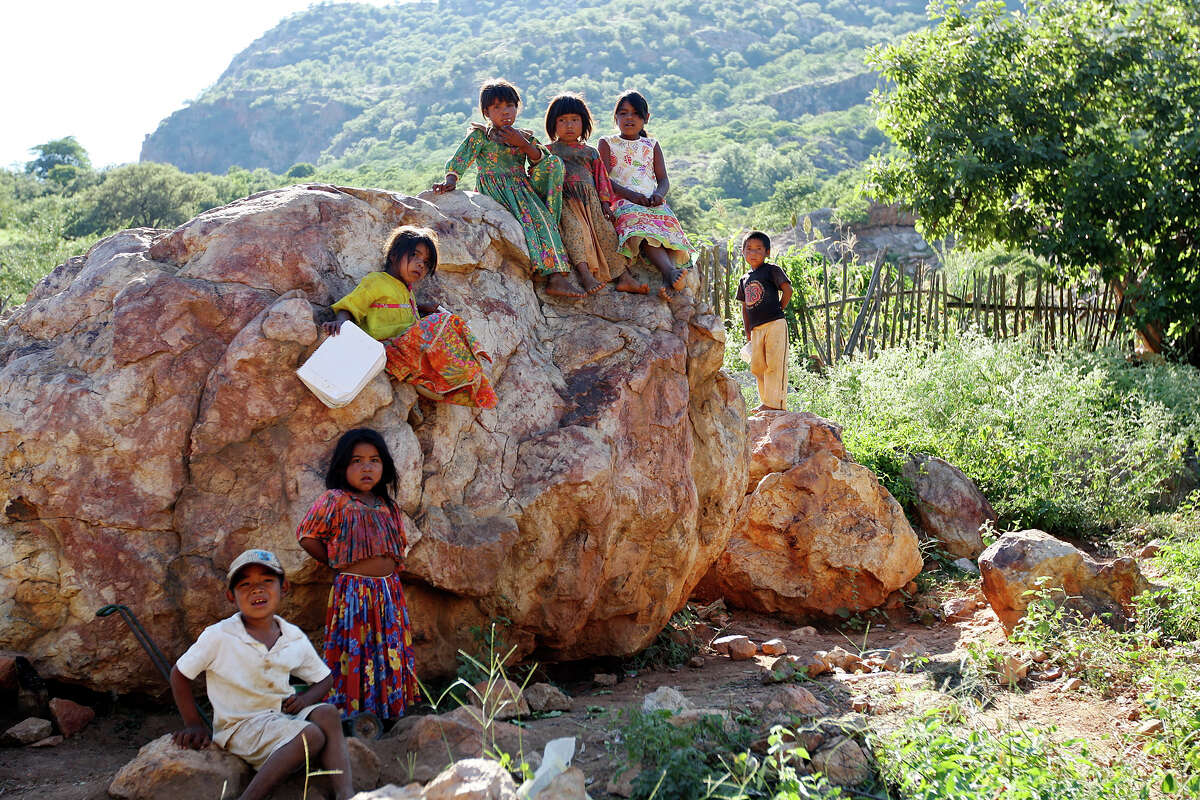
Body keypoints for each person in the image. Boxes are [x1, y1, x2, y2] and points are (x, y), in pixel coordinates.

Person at [170, 549, 353, 800]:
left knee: (328, 713)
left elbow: (325, 678)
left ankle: (346, 794)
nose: (257, 590)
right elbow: (179, 674)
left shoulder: (292, 636)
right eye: (245, 585)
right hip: (240, 727)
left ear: (284, 588)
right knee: (311, 735)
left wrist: (305, 700)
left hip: (280, 718)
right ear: (231, 596)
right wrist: (193, 724)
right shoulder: (219, 635)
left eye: (267, 581)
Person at [297, 428, 420, 725]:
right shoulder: (335, 500)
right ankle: (352, 716)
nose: (367, 467)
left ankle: (387, 712)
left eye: (374, 460)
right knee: (356, 650)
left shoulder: (388, 506)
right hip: (353, 593)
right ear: (342, 466)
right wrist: (336, 563)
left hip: (388, 593)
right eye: (357, 461)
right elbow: (307, 536)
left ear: (384, 467)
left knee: (386, 649)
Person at [431, 79, 583, 298]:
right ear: (486, 112)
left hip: (522, 190)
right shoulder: (481, 135)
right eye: (497, 107)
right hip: (492, 190)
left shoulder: (524, 137)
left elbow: (542, 160)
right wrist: (451, 180)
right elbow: (461, 159)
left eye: (510, 106)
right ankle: (545, 272)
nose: (505, 112)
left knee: (542, 216)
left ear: (517, 108)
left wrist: (522, 143)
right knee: (527, 223)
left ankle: (556, 277)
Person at [324, 224, 497, 409]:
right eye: (415, 255)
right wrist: (340, 323)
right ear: (394, 255)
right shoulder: (377, 281)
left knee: (450, 322)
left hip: (406, 354)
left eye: (426, 262)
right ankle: (440, 380)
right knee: (443, 321)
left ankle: (444, 381)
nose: (421, 264)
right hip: (384, 350)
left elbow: (406, 317)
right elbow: (353, 305)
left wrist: (424, 308)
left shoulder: (408, 293)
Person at [543, 92, 646, 295]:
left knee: (607, 232)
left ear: (584, 123)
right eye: (562, 120)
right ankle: (585, 275)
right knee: (574, 231)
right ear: (552, 124)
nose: (569, 125)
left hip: (591, 202)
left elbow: (602, 179)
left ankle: (623, 276)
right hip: (566, 202)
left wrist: (606, 203)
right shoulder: (548, 151)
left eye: (575, 119)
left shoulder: (590, 152)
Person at [597, 90, 695, 299]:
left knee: (667, 228)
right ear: (615, 117)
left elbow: (664, 179)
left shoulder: (651, 145)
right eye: (623, 113)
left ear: (646, 118)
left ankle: (670, 278)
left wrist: (659, 194)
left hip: (651, 202)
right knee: (643, 227)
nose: (629, 118)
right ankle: (669, 273)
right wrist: (630, 195)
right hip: (622, 201)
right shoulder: (608, 143)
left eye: (635, 113)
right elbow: (603, 178)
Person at [736, 231, 793, 411]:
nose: (753, 253)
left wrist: (779, 309)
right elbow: (745, 307)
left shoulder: (771, 270)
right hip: (756, 329)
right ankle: (766, 402)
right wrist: (748, 330)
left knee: (775, 363)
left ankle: (776, 405)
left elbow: (788, 290)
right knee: (758, 366)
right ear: (743, 252)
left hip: (775, 324)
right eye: (749, 249)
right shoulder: (744, 279)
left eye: (758, 249)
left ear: (767, 252)